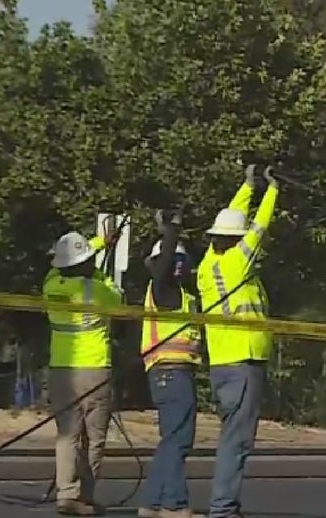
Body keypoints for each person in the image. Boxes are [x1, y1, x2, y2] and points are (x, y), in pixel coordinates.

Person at [196, 165, 278, 518]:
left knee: (231, 435)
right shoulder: (238, 263)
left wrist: (247, 186)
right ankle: (223, 508)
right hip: (244, 360)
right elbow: (259, 228)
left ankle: (225, 505)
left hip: (222, 362)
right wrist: (272, 191)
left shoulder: (207, 265)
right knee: (237, 440)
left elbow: (234, 217)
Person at [45, 230, 124, 516]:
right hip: (93, 369)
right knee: (94, 438)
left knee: (67, 436)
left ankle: (66, 493)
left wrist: (100, 242)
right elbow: (117, 299)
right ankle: (85, 496)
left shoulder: (50, 284)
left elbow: (69, 264)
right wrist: (101, 272)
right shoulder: (96, 289)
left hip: (61, 370)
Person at [138, 207, 205, 518]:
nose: (177, 263)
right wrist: (171, 231)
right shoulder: (162, 288)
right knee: (179, 440)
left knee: (171, 440)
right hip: (171, 373)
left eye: (182, 259)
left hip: (174, 373)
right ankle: (173, 504)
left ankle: (153, 503)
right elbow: (164, 265)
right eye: (172, 258)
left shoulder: (183, 295)